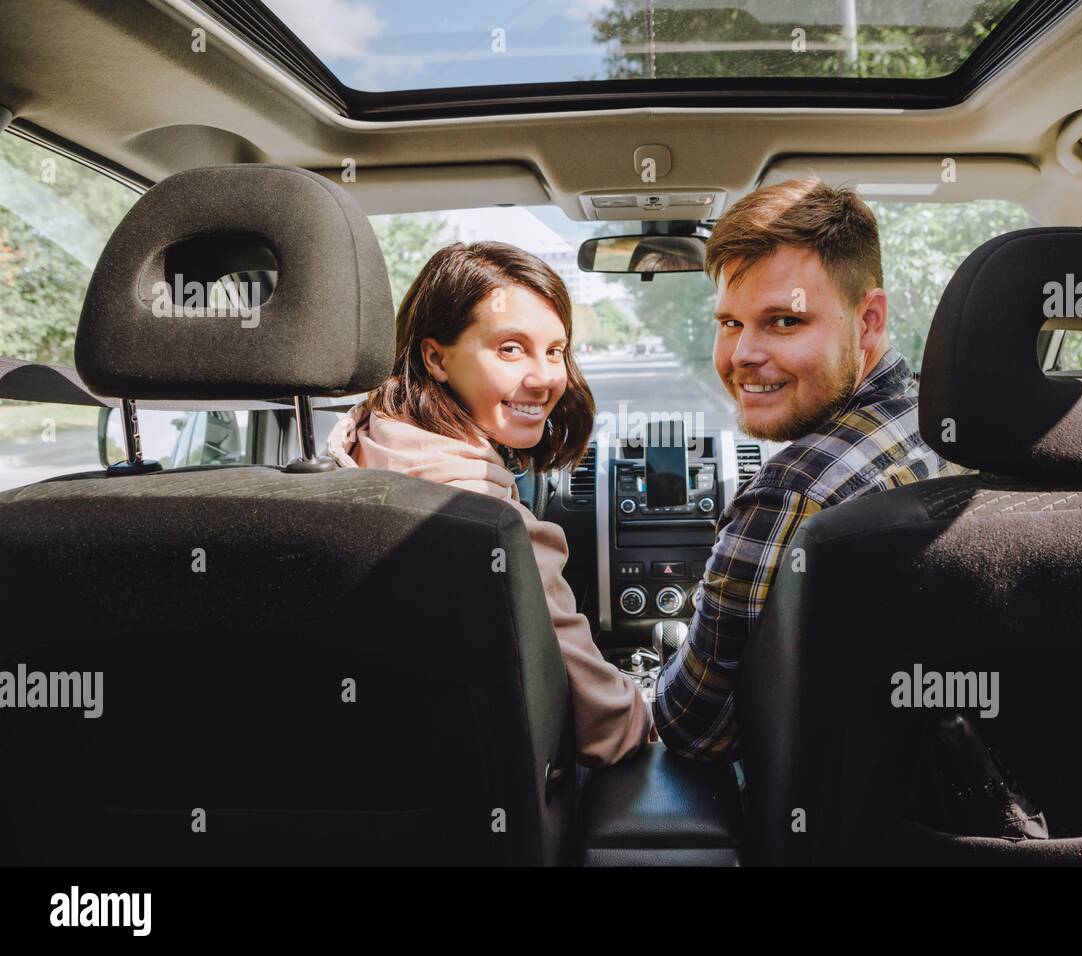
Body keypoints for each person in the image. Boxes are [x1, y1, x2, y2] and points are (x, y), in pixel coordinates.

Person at [653, 177, 966, 760]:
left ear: (868, 320)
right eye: (730, 322)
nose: (742, 354)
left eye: (784, 321)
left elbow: (694, 730)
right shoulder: (949, 428)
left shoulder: (792, 493)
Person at [326, 241, 655, 767]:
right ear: (435, 357)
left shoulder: (346, 456)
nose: (546, 378)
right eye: (510, 348)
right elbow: (606, 731)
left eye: (555, 351)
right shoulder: (492, 527)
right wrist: (655, 712)